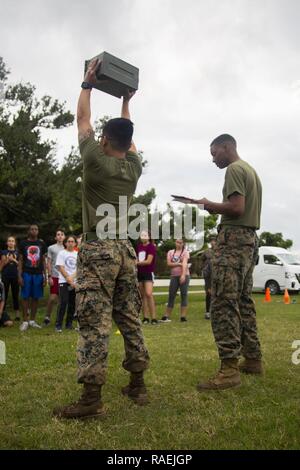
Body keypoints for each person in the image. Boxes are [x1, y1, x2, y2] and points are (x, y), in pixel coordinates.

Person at [53, 59, 150, 420]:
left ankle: (92, 399)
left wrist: (87, 83)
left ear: (105, 140)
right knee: (129, 318)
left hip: (98, 250)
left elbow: (82, 122)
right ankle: (137, 385)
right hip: (126, 250)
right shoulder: (134, 168)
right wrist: (126, 101)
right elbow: (127, 135)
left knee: (94, 321)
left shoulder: (95, 161)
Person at [193, 134, 262, 391]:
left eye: (214, 154)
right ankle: (253, 359)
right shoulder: (250, 170)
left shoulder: (234, 169)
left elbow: (236, 208)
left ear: (227, 147)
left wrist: (210, 205)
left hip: (233, 240)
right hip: (248, 239)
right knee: (243, 301)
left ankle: (229, 369)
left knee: (223, 302)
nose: (213, 159)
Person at [18, 224, 47, 332]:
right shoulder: (23, 243)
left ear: (38, 231)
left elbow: (43, 260)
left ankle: (32, 320)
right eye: (32, 229)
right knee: (25, 296)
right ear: (28, 231)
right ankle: (25, 321)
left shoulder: (41, 244)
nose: (34, 231)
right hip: (26, 273)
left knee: (36, 297)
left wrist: (45, 276)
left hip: (38, 274)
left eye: (36, 229)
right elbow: (20, 260)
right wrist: (19, 275)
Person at [160, 239, 190, 323]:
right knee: (171, 295)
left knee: (184, 295)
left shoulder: (185, 252)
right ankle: (166, 316)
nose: (179, 244)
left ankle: (183, 317)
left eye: (181, 242)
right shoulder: (170, 252)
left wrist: (183, 275)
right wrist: (178, 264)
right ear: (175, 243)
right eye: (177, 242)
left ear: (183, 243)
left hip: (185, 275)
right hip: (174, 276)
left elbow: (184, 263)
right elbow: (169, 264)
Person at [55, 235, 78, 332]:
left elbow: (79, 269)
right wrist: (68, 279)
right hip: (63, 281)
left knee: (72, 304)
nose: (70, 243)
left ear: (75, 243)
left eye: (72, 241)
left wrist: (72, 281)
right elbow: (60, 267)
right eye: (68, 241)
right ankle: (58, 325)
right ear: (65, 243)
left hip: (74, 282)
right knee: (63, 302)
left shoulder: (78, 254)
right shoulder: (62, 253)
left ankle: (69, 324)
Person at [43, 229, 65, 326]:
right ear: (56, 237)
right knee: (52, 298)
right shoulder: (51, 248)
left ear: (64, 237)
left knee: (62, 299)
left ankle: (58, 319)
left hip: (64, 276)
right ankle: (47, 316)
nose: (60, 236)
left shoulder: (67, 247)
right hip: (55, 276)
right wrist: (49, 276)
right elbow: (48, 262)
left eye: (62, 234)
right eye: (58, 235)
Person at [136, 231, 157, 325]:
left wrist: (136, 263)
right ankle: (145, 317)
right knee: (143, 296)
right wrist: (136, 263)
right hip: (139, 273)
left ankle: (154, 318)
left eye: (145, 235)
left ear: (149, 237)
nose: (143, 237)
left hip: (148, 272)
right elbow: (136, 258)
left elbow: (148, 261)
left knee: (149, 294)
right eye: (142, 235)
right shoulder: (139, 247)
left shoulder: (151, 247)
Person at [0, 236, 20, 321]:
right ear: (7, 243)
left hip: (15, 276)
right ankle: (2, 313)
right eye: (9, 241)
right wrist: (8, 260)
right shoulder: (3, 252)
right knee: (4, 295)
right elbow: (1, 266)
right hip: (6, 276)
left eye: (12, 241)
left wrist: (14, 260)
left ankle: (17, 314)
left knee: (16, 294)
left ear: (15, 243)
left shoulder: (18, 252)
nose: (11, 242)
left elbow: (20, 265)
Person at [198, 236, 217, 320]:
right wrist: (203, 268)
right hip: (208, 276)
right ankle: (208, 312)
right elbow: (201, 259)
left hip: (218, 275)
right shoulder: (207, 251)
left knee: (218, 294)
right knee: (209, 293)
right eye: (212, 241)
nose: (213, 242)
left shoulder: (221, 251)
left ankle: (216, 311)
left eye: (215, 241)